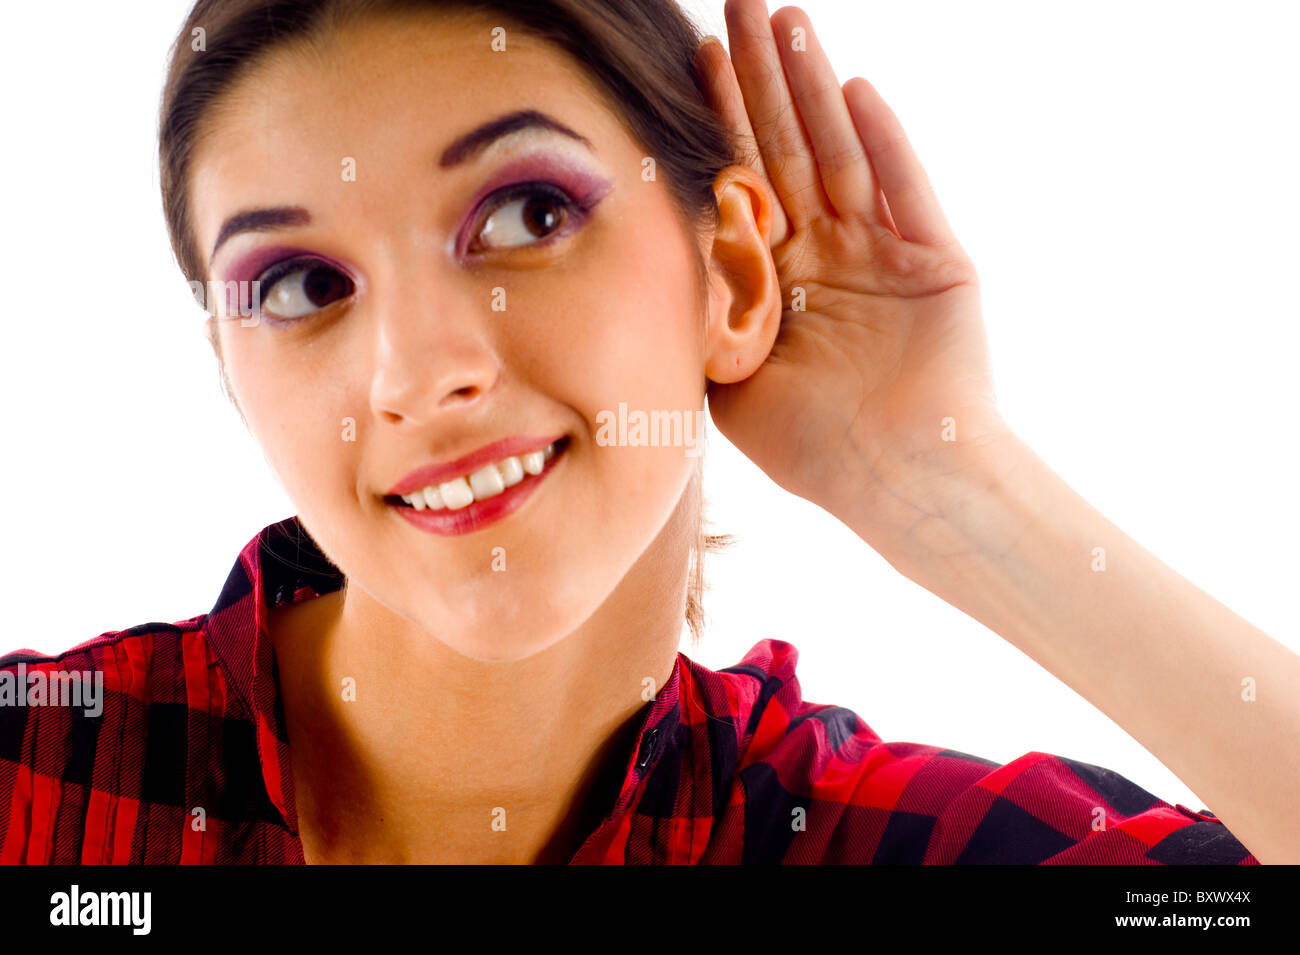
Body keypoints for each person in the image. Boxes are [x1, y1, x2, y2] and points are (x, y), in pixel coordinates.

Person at [0, 0, 1289, 864]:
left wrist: (945, 483)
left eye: (523, 218)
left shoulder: (870, 842)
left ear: (728, 276)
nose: (418, 374)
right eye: (299, 287)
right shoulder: (38, 769)